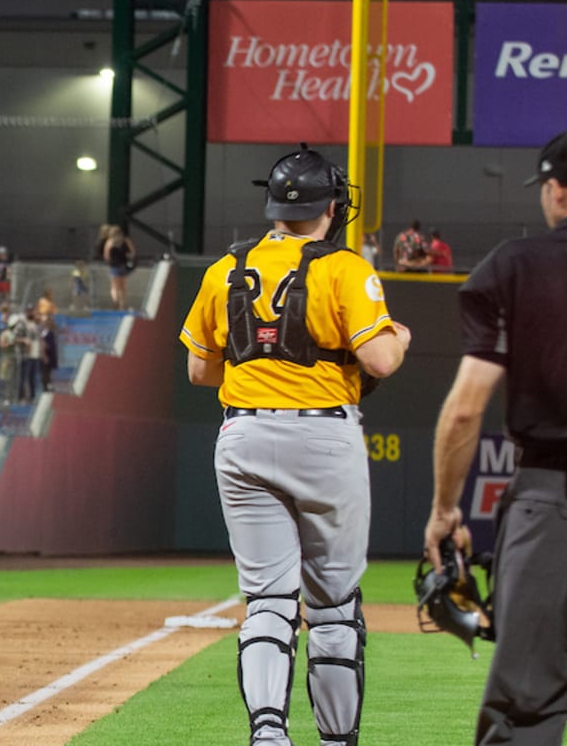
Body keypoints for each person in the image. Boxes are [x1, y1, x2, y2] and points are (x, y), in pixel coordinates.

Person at [180, 144, 410, 746]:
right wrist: (401, 338)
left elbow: (200, 373)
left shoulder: (223, 269)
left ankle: (269, 733)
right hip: (322, 434)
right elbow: (380, 356)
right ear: (331, 206)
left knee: (267, 603)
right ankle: (335, 741)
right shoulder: (346, 268)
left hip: (244, 434)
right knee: (333, 606)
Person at [424, 124, 567, 745]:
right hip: (557, 497)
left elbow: (466, 409)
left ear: (555, 190)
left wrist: (445, 510)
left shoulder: (516, 265)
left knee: (526, 704)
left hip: (558, 502)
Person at [101, 223, 136, 310]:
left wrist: (110, 261)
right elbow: (132, 253)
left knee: (114, 286)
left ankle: (115, 300)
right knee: (122, 286)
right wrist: (128, 256)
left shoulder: (109, 242)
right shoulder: (125, 240)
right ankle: (122, 304)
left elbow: (106, 256)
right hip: (123, 264)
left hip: (114, 266)